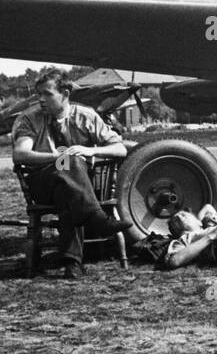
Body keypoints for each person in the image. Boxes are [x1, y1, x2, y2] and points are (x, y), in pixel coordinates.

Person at [12, 68, 132, 279]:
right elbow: (20, 154)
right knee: (71, 162)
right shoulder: (30, 118)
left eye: (47, 94)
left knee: (69, 194)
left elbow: (120, 149)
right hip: (43, 183)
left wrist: (91, 150)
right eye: (38, 94)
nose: (40, 99)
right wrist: (59, 158)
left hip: (79, 189)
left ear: (65, 94)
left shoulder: (86, 116)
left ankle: (72, 264)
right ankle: (97, 218)